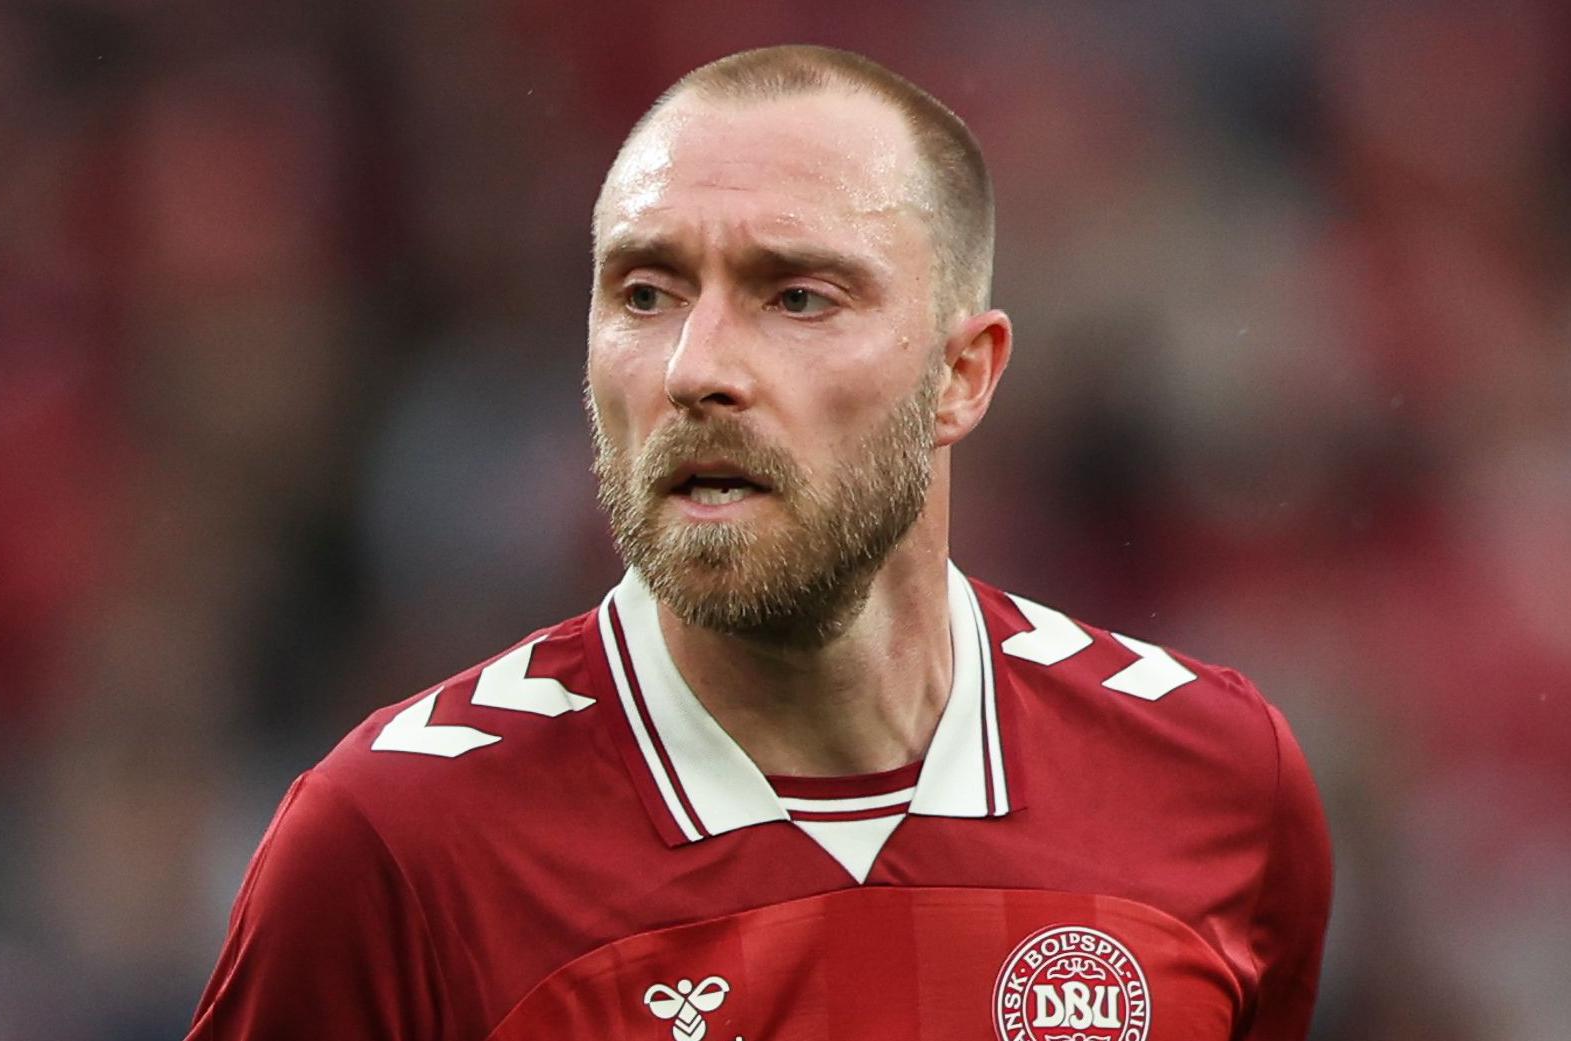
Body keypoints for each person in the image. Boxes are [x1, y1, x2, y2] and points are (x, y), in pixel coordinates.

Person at [184, 44, 1331, 1041]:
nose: (696, 369)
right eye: (645, 294)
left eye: (796, 298)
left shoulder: (1217, 782)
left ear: (962, 375)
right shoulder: (395, 848)